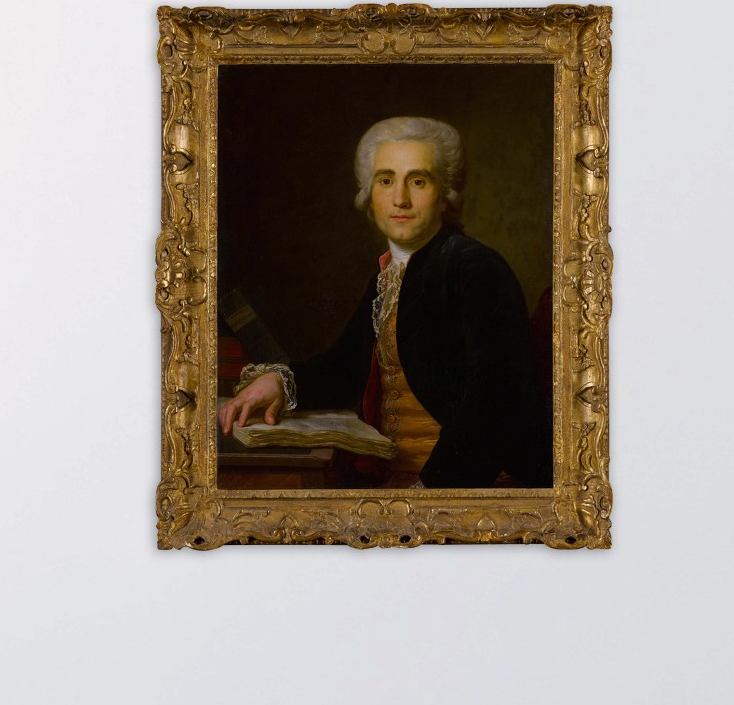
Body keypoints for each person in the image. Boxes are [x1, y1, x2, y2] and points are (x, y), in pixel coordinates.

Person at [219, 115, 553, 488]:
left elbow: (496, 397)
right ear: (369, 194)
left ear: (445, 195)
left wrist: (432, 491)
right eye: (386, 180)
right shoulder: (389, 273)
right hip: (398, 477)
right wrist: (280, 382)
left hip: (469, 484)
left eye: (418, 180)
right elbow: (346, 368)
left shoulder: (475, 268)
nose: (401, 199)